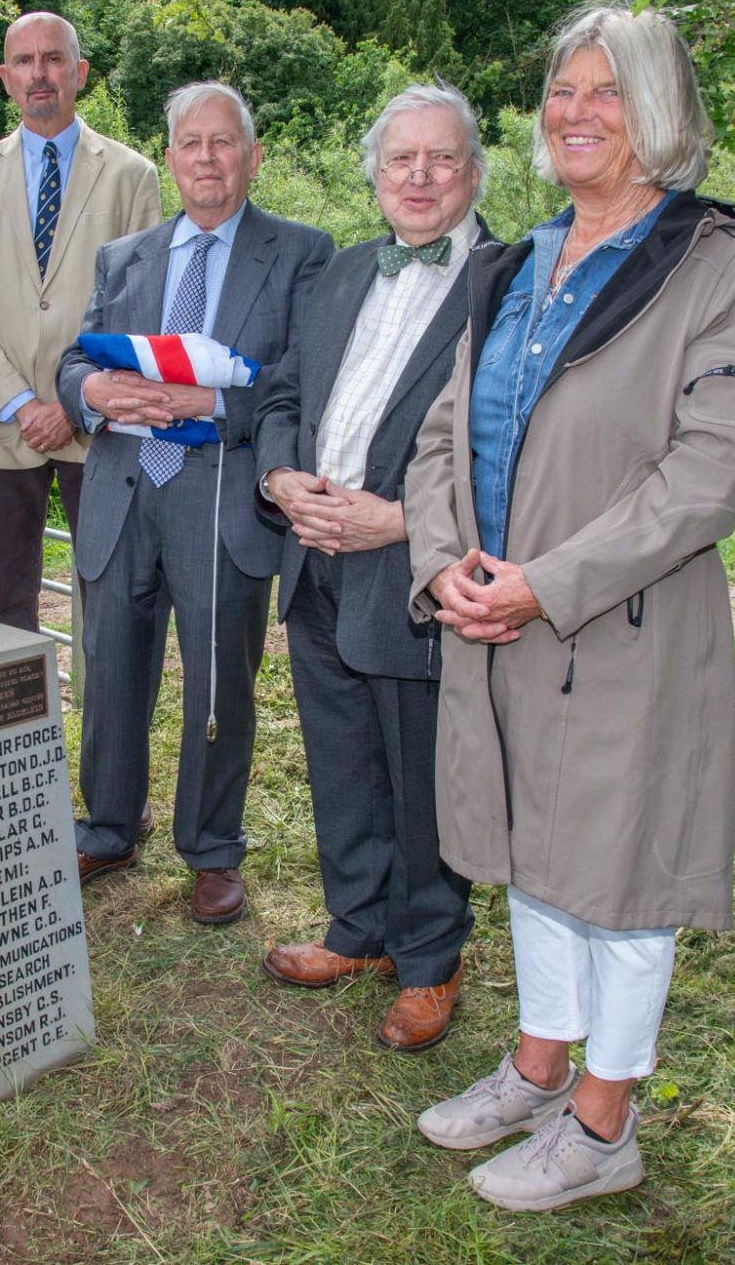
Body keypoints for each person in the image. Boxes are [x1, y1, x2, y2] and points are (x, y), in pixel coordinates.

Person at [403, 3, 735, 1210]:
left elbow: (709, 472)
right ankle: (536, 1067)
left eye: (605, 91)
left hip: (623, 625)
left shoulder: (713, 263)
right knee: (534, 851)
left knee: (619, 873)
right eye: (561, 90)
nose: (574, 113)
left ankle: (604, 1121)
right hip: (497, 616)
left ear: (656, 109)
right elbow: (440, 437)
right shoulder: (513, 263)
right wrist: (443, 563)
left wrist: (546, 583)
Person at [56, 82, 331, 925]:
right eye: (190, 143)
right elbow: (73, 361)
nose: (206, 158)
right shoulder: (124, 256)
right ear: (169, 157)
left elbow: (304, 381)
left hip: (222, 494)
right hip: (122, 488)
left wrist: (210, 402)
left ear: (252, 155)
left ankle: (212, 847)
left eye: (223, 142)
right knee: (109, 667)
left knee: (219, 681)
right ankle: (109, 825)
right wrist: (92, 389)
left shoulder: (301, 253)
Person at [253, 83, 489, 1052]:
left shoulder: (506, 283)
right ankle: (358, 929)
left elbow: (513, 444)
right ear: (376, 174)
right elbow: (282, 393)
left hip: (416, 570)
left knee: (421, 772)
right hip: (314, 559)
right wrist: (278, 478)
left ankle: (430, 958)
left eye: (441, 158)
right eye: (400, 158)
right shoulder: (342, 271)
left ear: (473, 172)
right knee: (342, 758)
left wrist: (403, 522)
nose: (419, 176)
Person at [0, 11, 161, 633]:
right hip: (6, 425)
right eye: (25, 61)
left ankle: (104, 703)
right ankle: (21, 705)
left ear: (80, 72)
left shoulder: (131, 176)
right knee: (8, 608)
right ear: (6, 77)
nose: (39, 73)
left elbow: (139, 308)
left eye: (54, 58)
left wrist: (72, 401)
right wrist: (21, 403)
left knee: (110, 601)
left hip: (100, 426)